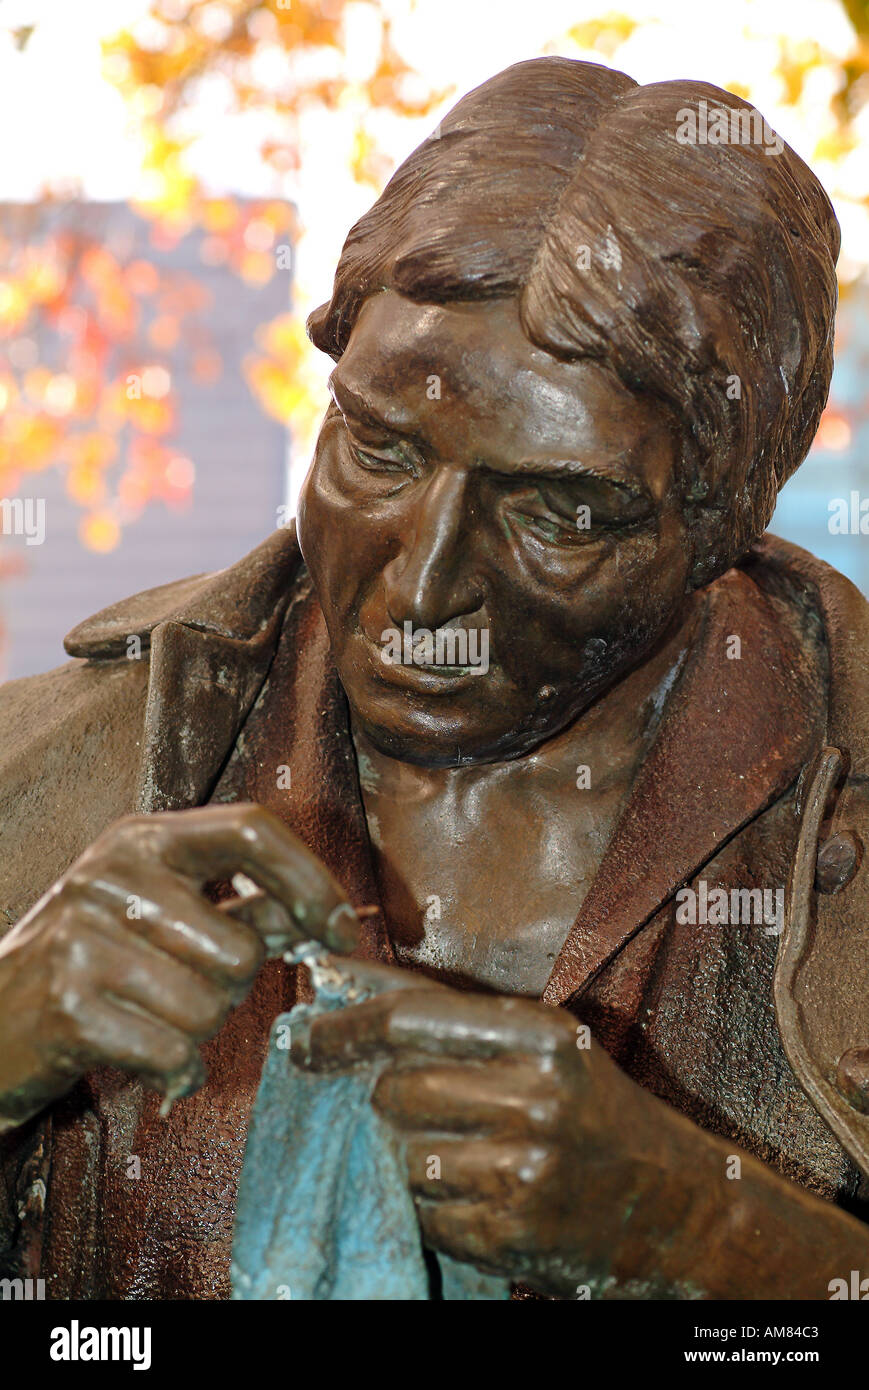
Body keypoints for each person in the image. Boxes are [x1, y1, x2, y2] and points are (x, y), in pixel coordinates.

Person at [1, 57, 868, 1301]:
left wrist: (717, 1241)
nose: (420, 590)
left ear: (723, 516)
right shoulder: (32, 771)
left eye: (562, 509)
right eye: (377, 447)